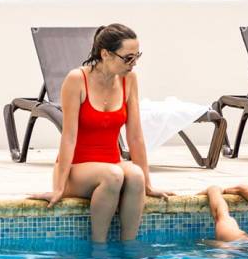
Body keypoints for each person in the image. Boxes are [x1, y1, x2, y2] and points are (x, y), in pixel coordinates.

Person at [31, 23, 171, 242]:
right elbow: (68, 137)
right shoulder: (77, 80)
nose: (134, 64)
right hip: (77, 169)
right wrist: (59, 188)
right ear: (105, 54)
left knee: (135, 175)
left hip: (111, 164)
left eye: (137, 57)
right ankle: (99, 248)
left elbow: (135, 136)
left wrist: (148, 184)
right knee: (113, 175)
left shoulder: (129, 80)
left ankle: (128, 249)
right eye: (128, 58)